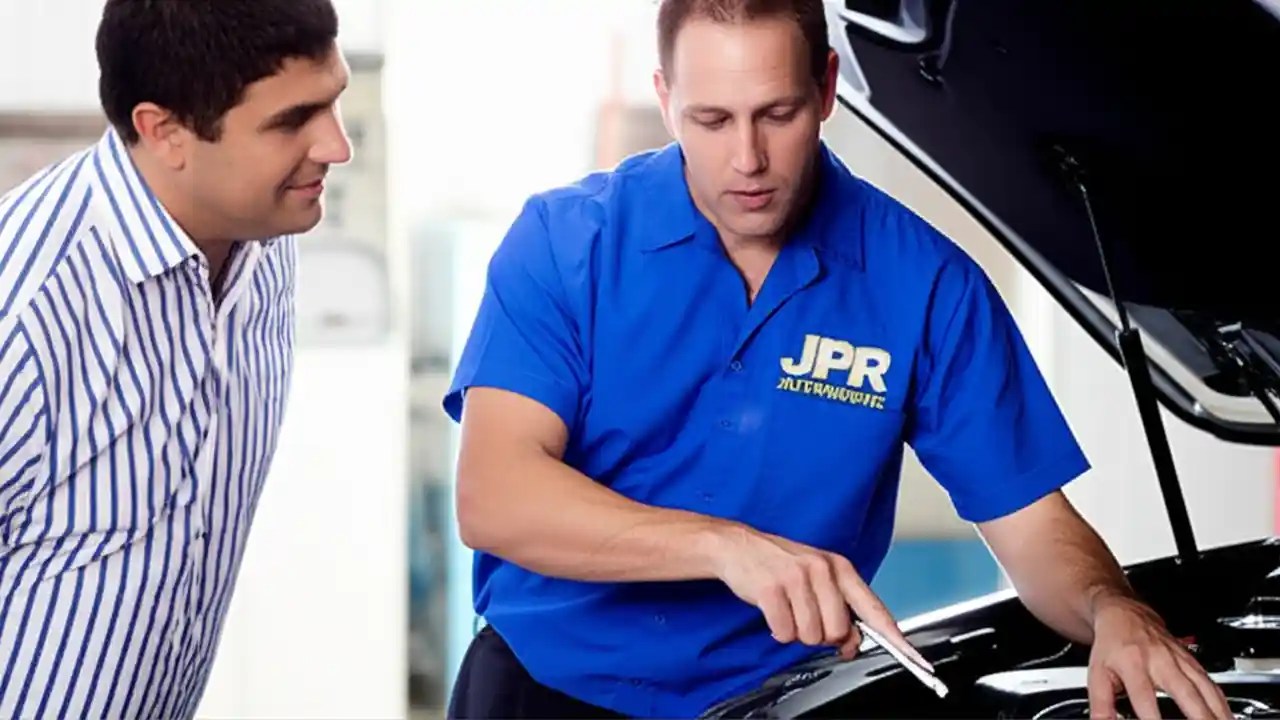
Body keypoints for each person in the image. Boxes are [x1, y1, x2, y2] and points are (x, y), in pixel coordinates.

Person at [441, 1, 1233, 718]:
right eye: (711, 120)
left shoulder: (925, 284)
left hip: (783, 704)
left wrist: (1111, 608)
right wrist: (730, 547)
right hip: (542, 694)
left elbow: (1032, 523)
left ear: (825, 87)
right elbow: (496, 496)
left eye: (776, 114)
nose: (746, 159)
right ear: (665, 96)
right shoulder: (564, 243)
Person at [0, 1, 351, 718]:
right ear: (165, 132)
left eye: (334, 101)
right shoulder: (26, 307)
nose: (336, 147)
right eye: (292, 120)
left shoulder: (265, 238)